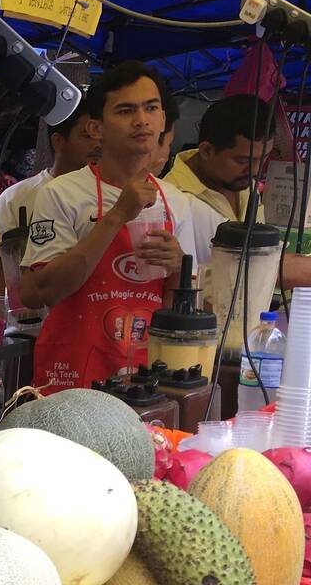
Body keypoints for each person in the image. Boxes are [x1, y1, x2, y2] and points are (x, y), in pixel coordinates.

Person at [20, 62, 219, 391]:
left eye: (151, 108)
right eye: (125, 110)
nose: (141, 120)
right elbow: (38, 292)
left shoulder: (175, 201)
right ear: (96, 128)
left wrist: (177, 268)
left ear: (163, 121)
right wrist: (116, 216)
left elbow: (183, 307)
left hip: (150, 376)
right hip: (77, 372)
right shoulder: (60, 194)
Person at [169, 93, 311, 296]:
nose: (255, 170)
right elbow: (245, 268)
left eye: (263, 159)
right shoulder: (172, 199)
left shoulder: (246, 186)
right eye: (243, 161)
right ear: (207, 150)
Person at [0, 105, 100, 297]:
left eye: (100, 135)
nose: (97, 144)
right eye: (86, 135)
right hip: (27, 318)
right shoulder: (16, 197)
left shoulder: (110, 196)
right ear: (58, 141)